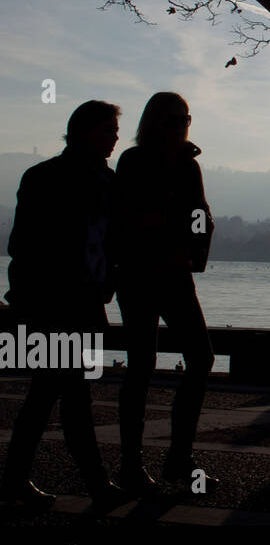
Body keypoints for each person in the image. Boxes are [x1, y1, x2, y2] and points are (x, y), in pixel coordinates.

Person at [0, 102, 129, 514]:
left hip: (79, 302)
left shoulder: (67, 178)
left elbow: (20, 247)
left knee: (50, 394)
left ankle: (16, 480)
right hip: (61, 303)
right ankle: (96, 484)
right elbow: (24, 245)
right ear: (85, 131)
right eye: (109, 130)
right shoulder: (58, 179)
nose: (115, 137)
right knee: (71, 395)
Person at [112, 92, 217, 493]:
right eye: (174, 119)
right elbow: (130, 216)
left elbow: (197, 213)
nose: (182, 125)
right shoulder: (134, 161)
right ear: (155, 122)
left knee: (201, 357)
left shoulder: (189, 166)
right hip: (139, 275)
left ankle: (179, 457)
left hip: (175, 274)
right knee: (141, 364)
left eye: (186, 118)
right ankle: (132, 465)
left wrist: (194, 244)